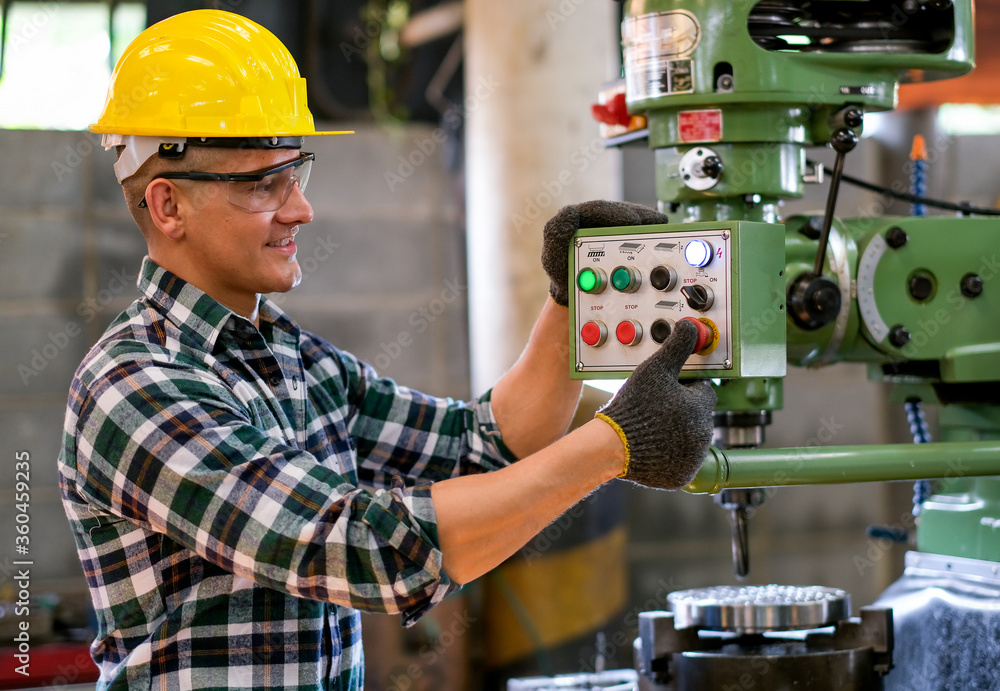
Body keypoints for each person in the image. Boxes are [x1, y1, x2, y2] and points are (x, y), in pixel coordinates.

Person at [57, 9, 716, 690]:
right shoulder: (136, 384)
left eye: (296, 173)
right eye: (263, 183)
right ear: (167, 206)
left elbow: (484, 444)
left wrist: (568, 301)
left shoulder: (297, 360)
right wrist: (615, 445)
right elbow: (362, 550)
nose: (300, 209)